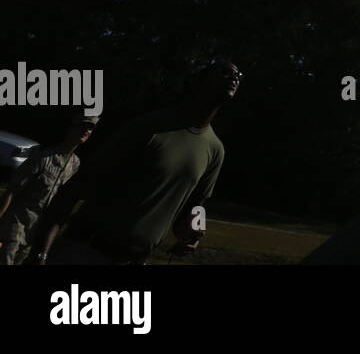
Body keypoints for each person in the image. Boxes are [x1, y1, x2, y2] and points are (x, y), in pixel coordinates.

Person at [33, 59, 240, 265]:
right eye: (224, 72)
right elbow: (74, 189)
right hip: (86, 251)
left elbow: (197, 204)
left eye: (238, 76)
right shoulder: (148, 127)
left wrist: (193, 232)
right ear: (198, 81)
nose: (233, 77)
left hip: (136, 260)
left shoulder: (215, 150)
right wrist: (40, 253)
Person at [0, 114, 97, 265]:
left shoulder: (75, 164)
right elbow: (13, 190)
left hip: (35, 231)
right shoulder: (43, 156)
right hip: (16, 223)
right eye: (83, 127)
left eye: (90, 129)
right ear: (72, 128)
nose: (86, 131)